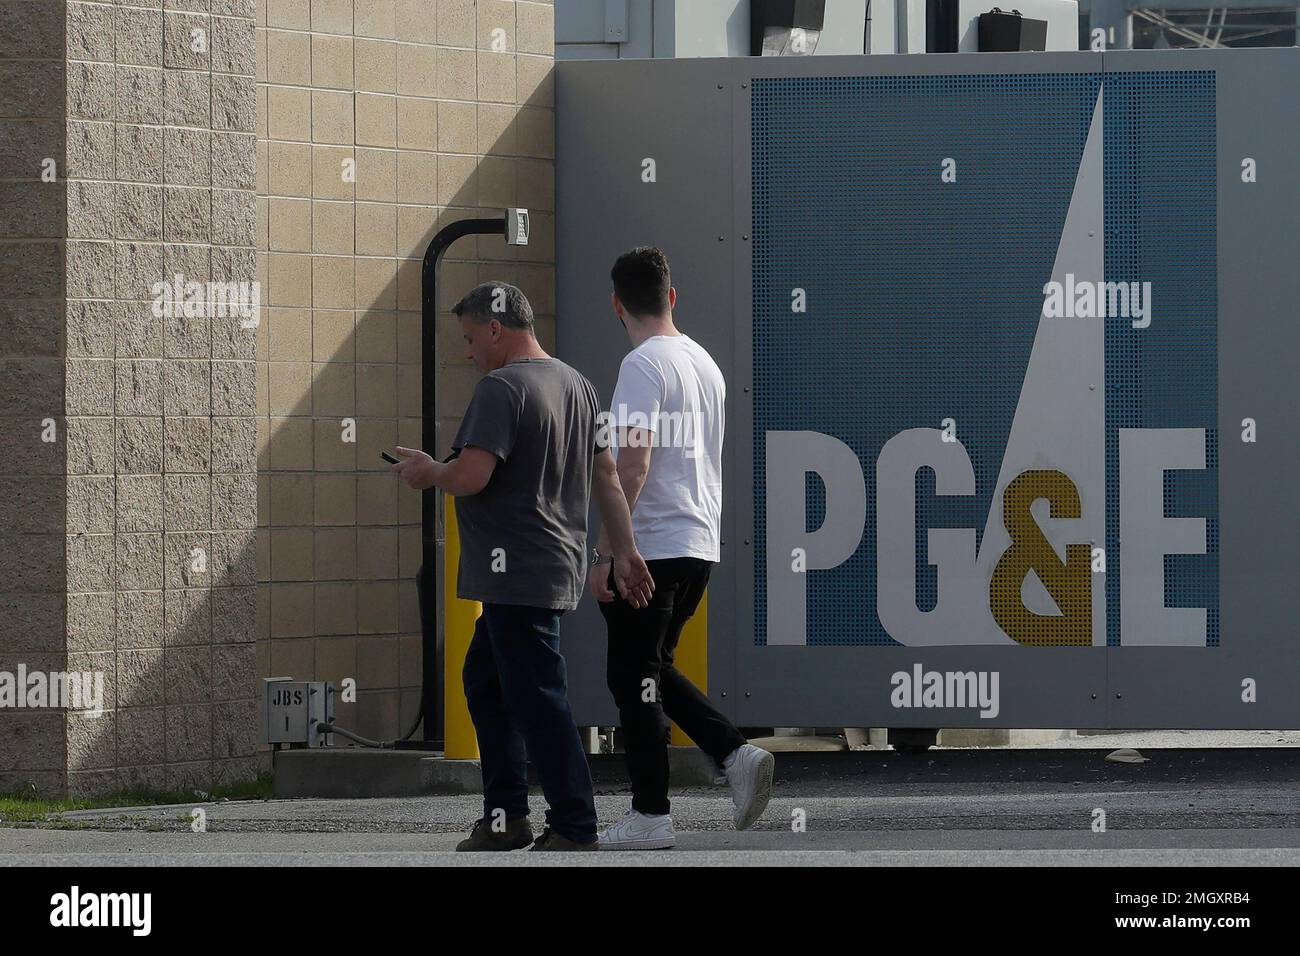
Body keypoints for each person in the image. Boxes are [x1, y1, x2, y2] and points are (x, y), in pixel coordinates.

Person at [393, 281, 653, 852]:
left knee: (538, 694)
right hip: (551, 564)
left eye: (469, 337)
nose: (467, 351)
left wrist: (429, 471)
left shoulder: (500, 388)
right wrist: (625, 551)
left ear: (495, 328)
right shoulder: (579, 385)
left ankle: (573, 822)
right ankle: (505, 816)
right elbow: (607, 476)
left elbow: (471, 475)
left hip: (516, 571)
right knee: (486, 681)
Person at [589, 247, 774, 850]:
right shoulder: (705, 364)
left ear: (617, 304)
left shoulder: (643, 365)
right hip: (698, 542)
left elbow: (632, 463)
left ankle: (651, 815)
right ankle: (732, 752)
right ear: (672, 296)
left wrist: (610, 550)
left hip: (653, 543)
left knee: (631, 675)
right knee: (651, 668)